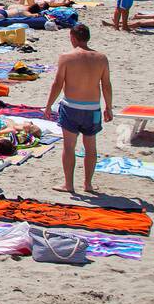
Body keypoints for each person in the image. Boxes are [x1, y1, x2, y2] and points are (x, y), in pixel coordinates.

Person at [44, 24, 112, 194]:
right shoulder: (101, 58)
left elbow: (58, 83)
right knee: (91, 148)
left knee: (69, 147)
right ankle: (88, 184)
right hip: (93, 108)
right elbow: (106, 85)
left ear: (73, 38)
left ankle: (69, 184)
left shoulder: (66, 57)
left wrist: (48, 105)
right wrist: (108, 107)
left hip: (71, 107)